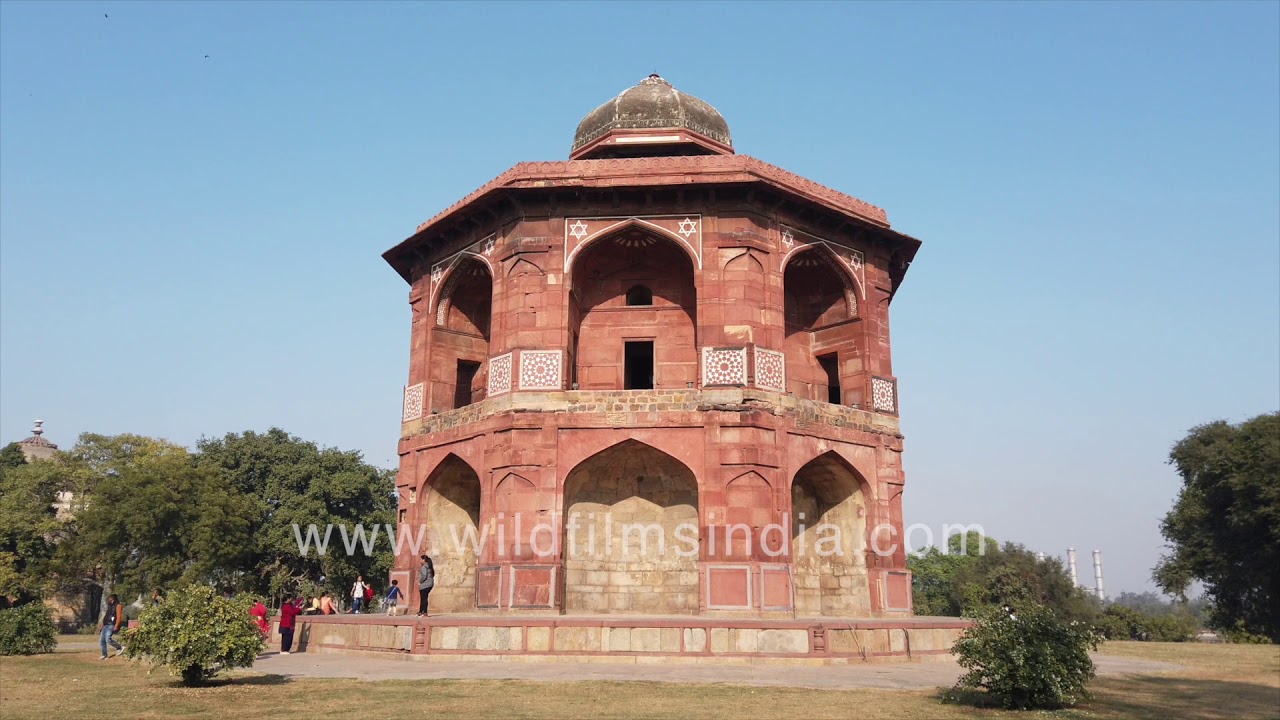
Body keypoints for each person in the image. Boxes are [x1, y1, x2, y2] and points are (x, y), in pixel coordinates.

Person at [99, 594, 125, 660]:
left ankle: (120, 647)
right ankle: (104, 655)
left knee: (108, 639)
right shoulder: (109, 606)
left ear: (113, 599)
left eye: (110, 598)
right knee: (102, 640)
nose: (109, 599)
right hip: (106, 624)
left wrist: (116, 625)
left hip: (111, 624)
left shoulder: (118, 606)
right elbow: (106, 616)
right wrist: (102, 625)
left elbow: (119, 616)